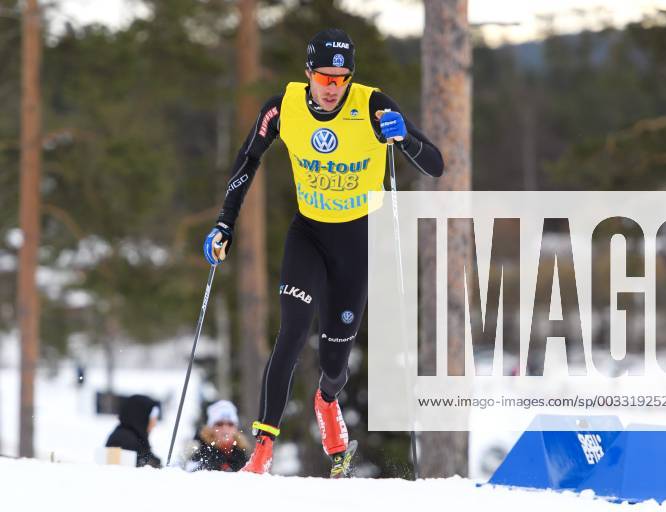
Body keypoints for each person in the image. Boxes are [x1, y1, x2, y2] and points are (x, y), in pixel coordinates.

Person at [203, 28, 443, 475]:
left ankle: (326, 400)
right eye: (325, 77)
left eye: (342, 78)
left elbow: (436, 163)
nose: (333, 87)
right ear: (308, 73)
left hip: (355, 242)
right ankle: (262, 451)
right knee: (291, 333)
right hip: (308, 234)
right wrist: (225, 222)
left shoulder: (373, 105)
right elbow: (247, 158)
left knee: (334, 362)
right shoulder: (284, 106)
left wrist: (404, 137)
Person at [184, 400, 249, 472]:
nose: (225, 428)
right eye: (219, 424)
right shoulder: (201, 452)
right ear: (210, 428)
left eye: (230, 424)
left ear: (236, 428)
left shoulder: (242, 455)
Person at [105, 394, 162, 468]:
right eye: (152, 417)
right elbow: (116, 472)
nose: (154, 424)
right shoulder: (121, 440)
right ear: (141, 416)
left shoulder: (137, 438)